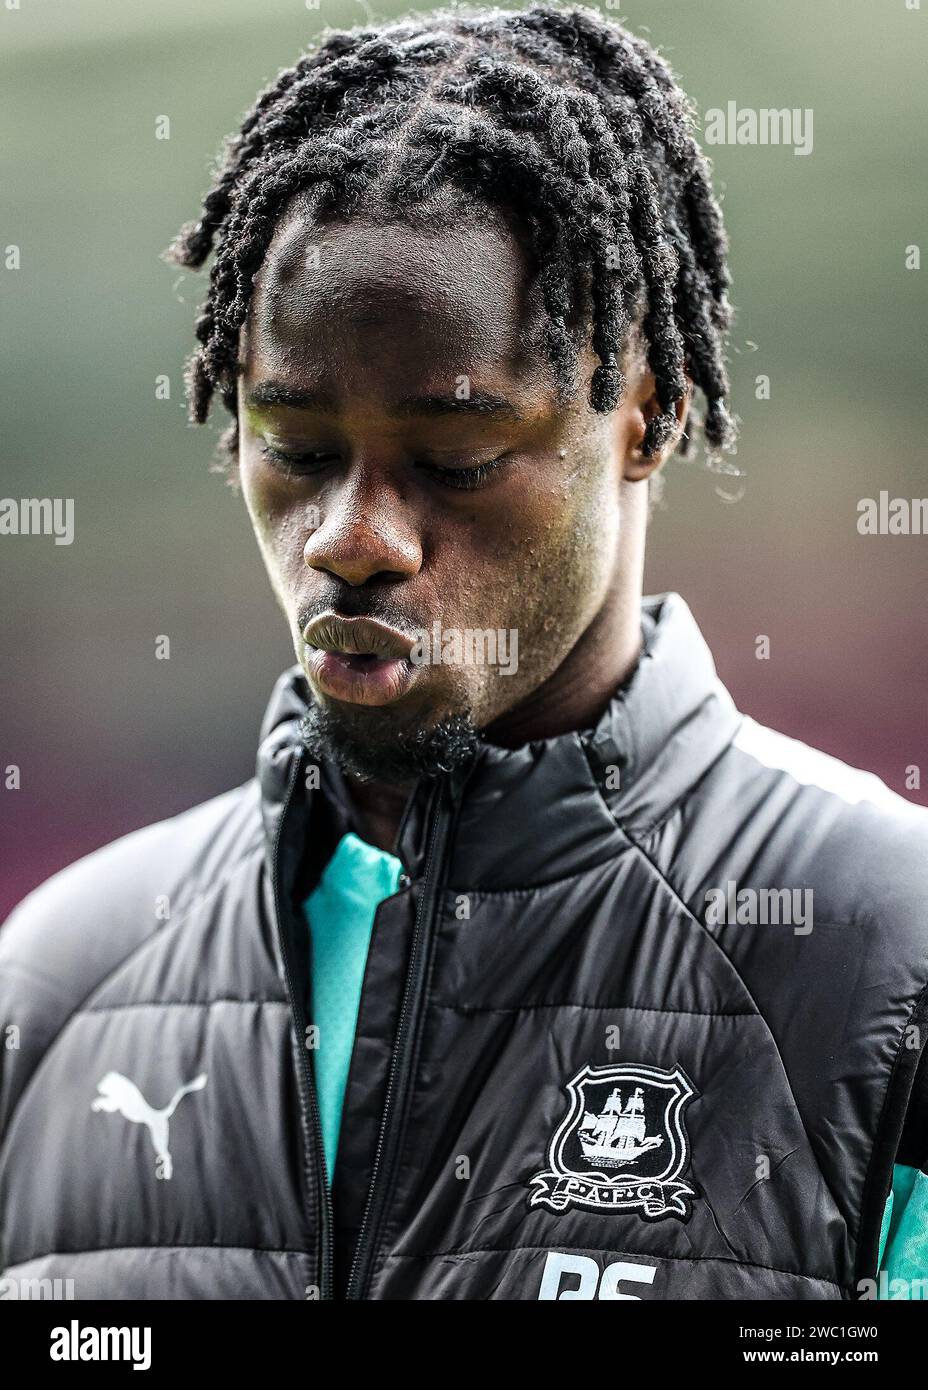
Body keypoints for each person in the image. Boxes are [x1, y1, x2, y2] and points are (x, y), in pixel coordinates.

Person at [1, 4, 926, 1301]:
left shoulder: (889, 959)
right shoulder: (59, 981)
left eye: (456, 457)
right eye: (298, 447)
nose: (352, 538)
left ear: (644, 418)